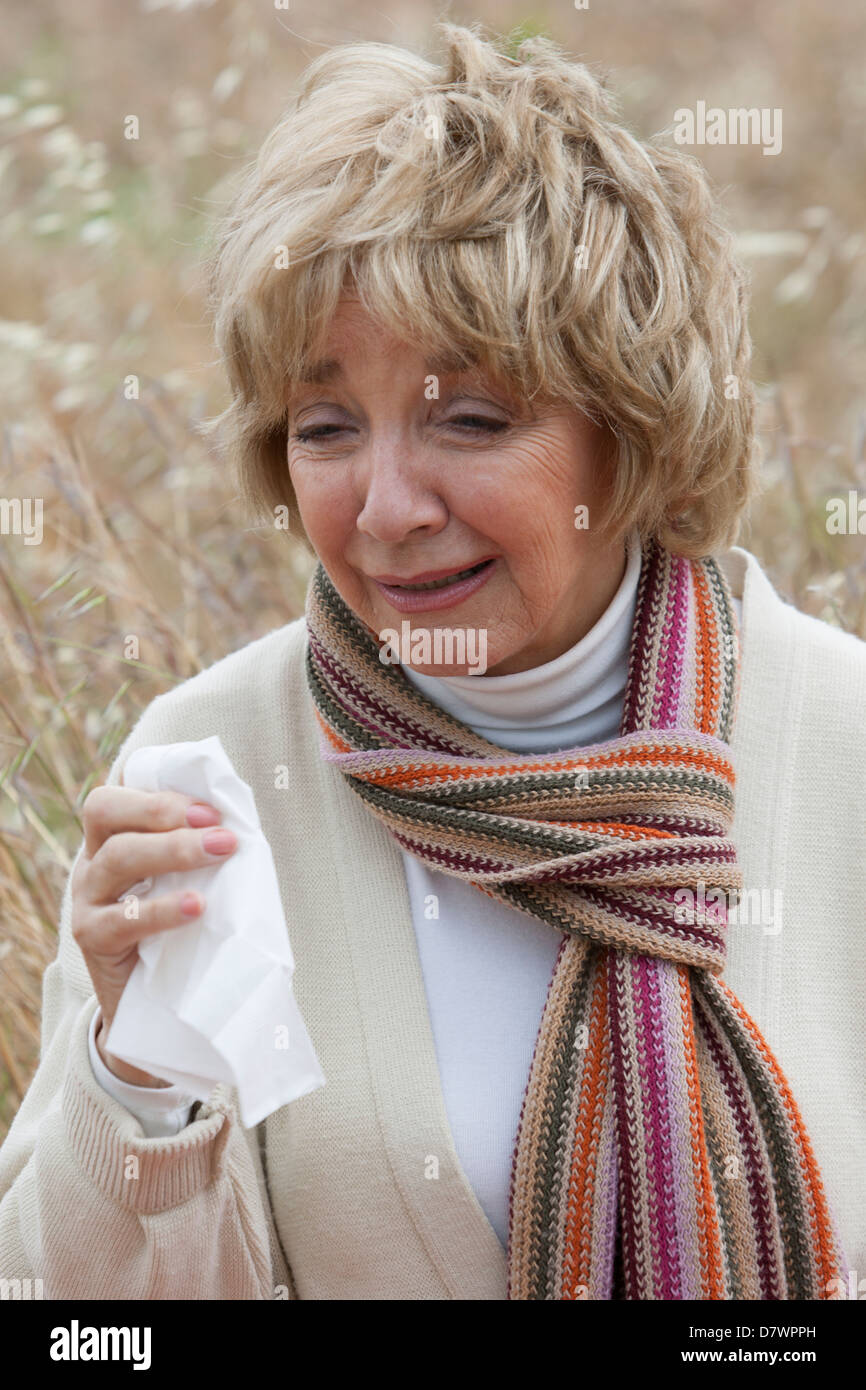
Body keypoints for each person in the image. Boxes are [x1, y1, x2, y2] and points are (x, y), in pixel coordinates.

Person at [1, 22, 863, 1301]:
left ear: (631, 436)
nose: (385, 503)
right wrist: (137, 1079)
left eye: (470, 417)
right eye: (327, 424)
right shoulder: (217, 776)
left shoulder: (838, 743)